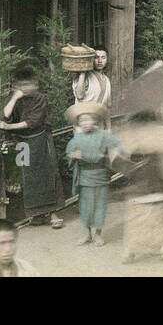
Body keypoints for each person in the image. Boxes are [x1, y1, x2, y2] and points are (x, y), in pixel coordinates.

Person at [0, 67, 63, 229]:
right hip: (22, 143)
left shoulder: (41, 98)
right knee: (27, 177)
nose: (27, 88)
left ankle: (53, 213)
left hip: (40, 140)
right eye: (22, 85)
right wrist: (13, 99)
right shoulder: (13, 98)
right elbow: (3, 117)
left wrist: (9, 127)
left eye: (29, 85)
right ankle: (36, 214)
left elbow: (33, 122)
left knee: (46, 175)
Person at [120, 110, 163, 265]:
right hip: (157, 182)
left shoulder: (131, 135)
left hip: (143, 182)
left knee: (138, 217)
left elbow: (122, 159)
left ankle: (131, 249)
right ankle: (162, 246)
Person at [64, 101, 121, 247]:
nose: (85, 123)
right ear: (78, 123)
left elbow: (117, 145)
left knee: (99, 205)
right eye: (82, 120)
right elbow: (69, 153)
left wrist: (111, 155)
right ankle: (87, 233)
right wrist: (73, 155)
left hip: (100, 174)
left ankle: (98, 234)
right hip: (85, 176)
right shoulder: (76, 139)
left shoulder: (104, 136)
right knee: (85, 206)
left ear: (95, 120)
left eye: (88, 119)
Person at [71, 48, 112, 112]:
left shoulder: (107, 80)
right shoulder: (84, 76)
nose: (100, 61)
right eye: (96, 57)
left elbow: (108, 105)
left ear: (107, 60)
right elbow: (79, 95)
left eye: (103, 57)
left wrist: (108, 122)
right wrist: (82, 73)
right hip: (83, 118)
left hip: (98, 118)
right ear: (91, 59)